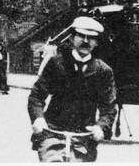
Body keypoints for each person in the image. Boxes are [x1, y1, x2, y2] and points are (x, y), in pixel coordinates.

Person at [28, 16, 117, 163]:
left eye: (91, 38)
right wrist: (38, 118)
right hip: (52, 133)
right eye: (81, 36)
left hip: (84, 137)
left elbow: (109, 107)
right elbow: (36, 96)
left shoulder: (103, 71)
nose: (86, 41)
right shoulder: (57, 63)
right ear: (73, 37)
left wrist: (101, 127)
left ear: (96, 43)